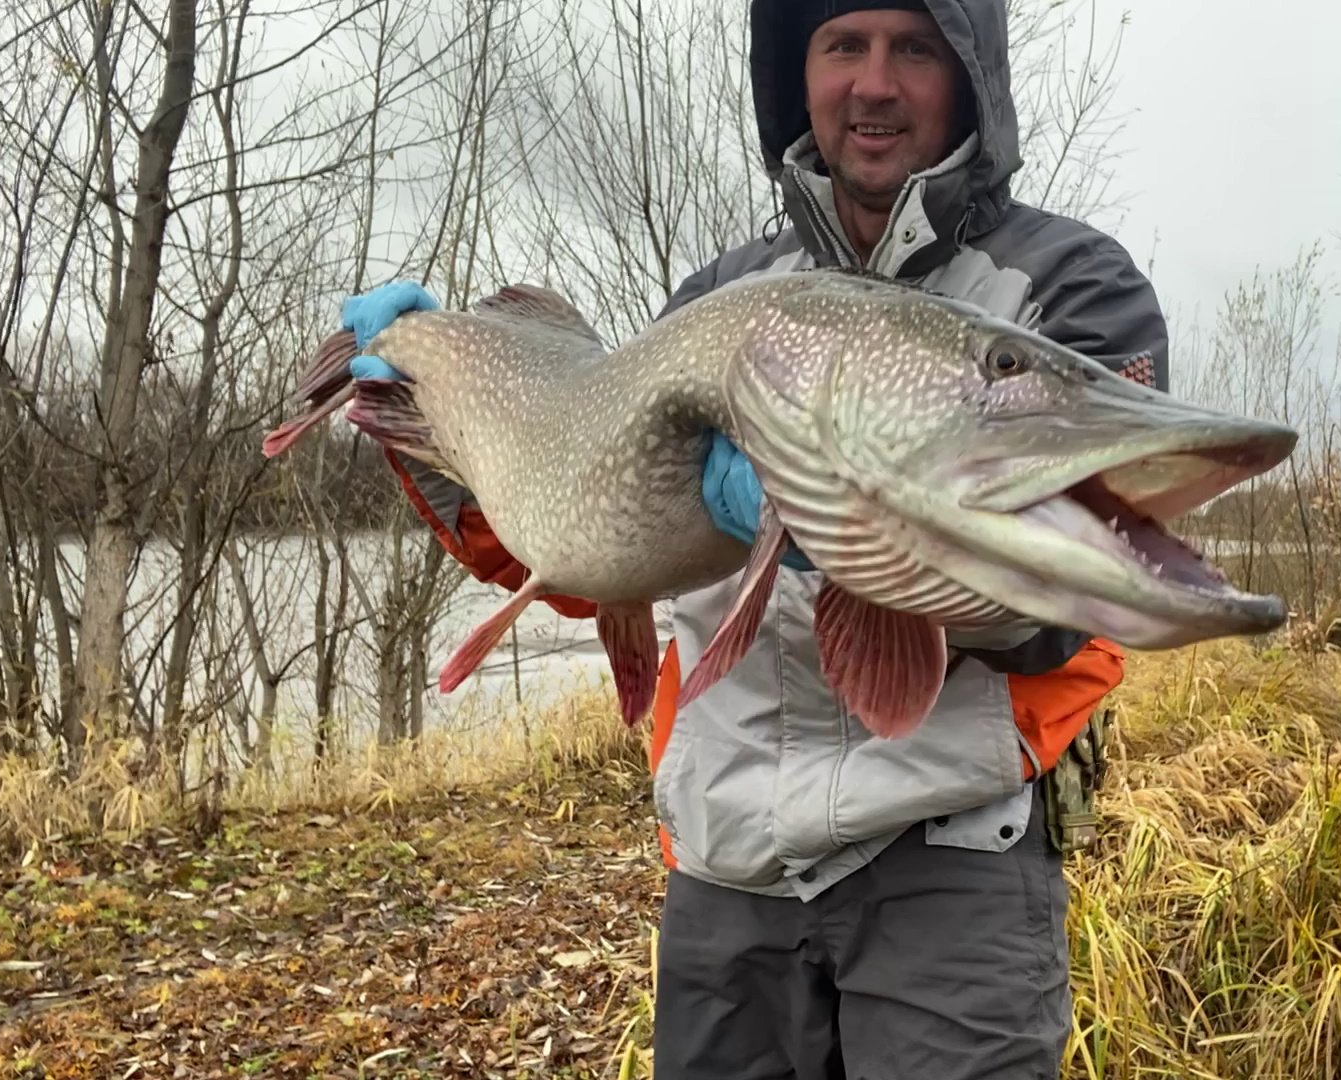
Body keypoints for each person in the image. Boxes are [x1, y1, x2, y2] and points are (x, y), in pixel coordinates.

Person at [338, 1, 1171, 1075]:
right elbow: (587, 546)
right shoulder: (719, 293)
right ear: (798, 72)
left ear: (969, 74)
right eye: (841, 45)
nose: (874, 83)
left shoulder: (1065, 289)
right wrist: (429, 427)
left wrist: (828, 519)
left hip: (951, 860)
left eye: (913, 46)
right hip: (727, 874)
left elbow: (1072, 589)